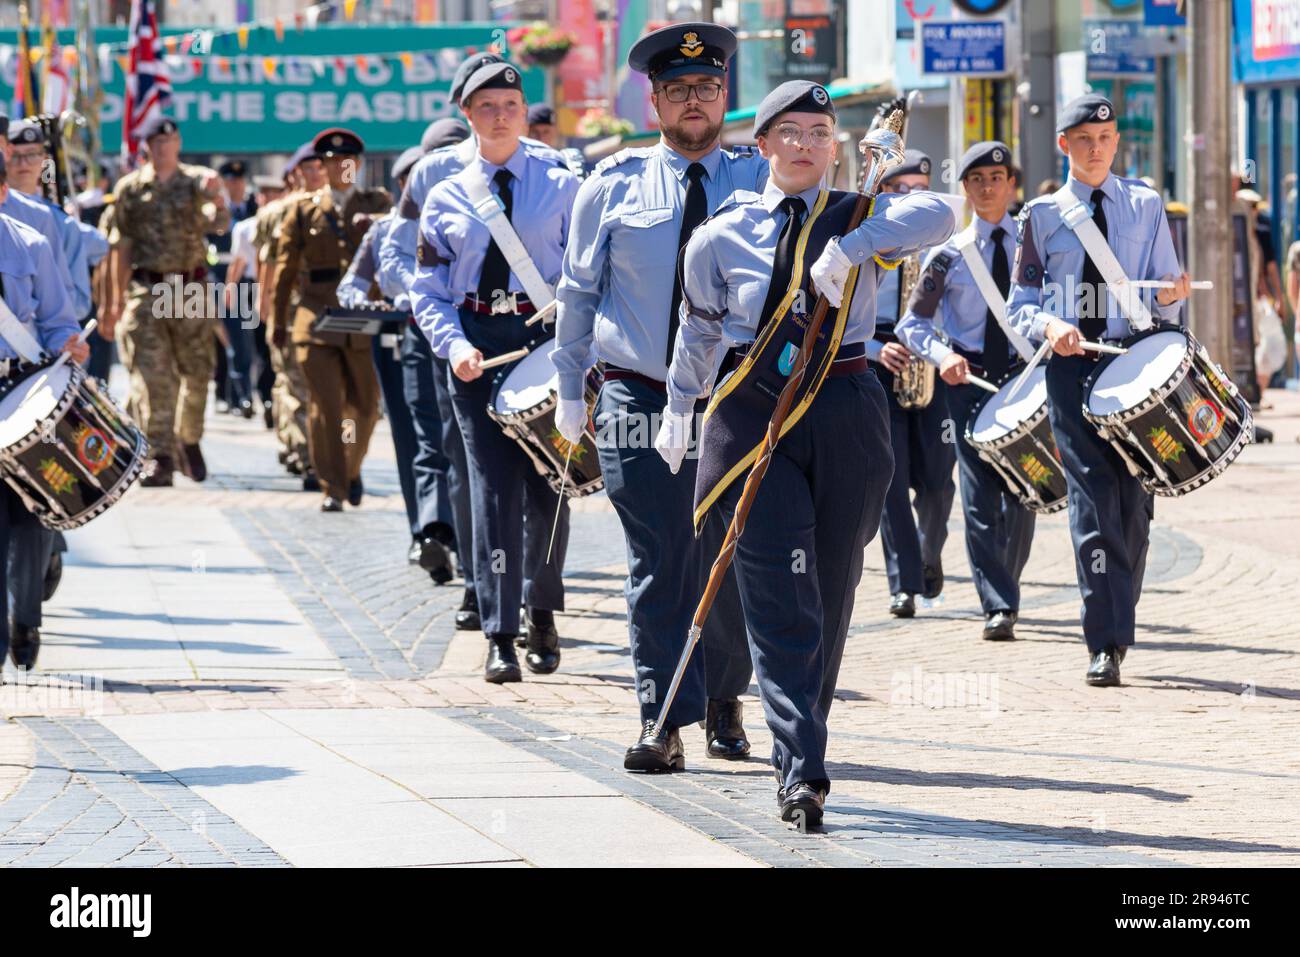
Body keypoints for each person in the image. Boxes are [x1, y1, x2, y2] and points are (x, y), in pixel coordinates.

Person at [658, 80, 954, 825]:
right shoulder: (719, 234)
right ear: (759, 146)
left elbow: (942, 213)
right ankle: (802, 771)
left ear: (834, 147)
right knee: (782, 597)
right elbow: (698, 333)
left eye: (820, 132)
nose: (806, 145)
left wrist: (850, 248)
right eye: (789, 132)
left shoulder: (859, 215)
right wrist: (678, 404)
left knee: (830, 587)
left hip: (848, 407)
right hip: (756, 416)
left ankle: (801, 735)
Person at [552, 21, 761, 771]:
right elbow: (578, 292)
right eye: (678, 91)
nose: (694, 102)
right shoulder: (610, 186)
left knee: (733, 550)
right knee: (660, 553)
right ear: (655, 101)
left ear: (724, 94)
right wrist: (568, 384)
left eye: (706, 88)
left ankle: (723, 699)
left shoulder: (761, 182)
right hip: (636, 396)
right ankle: (661, 716)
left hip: (735, 396)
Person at [1006, 94, 1191, 687]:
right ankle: (1104, 641)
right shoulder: (1039, 216)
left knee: (1134, 507)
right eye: (1083, 138)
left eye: (1105, 139)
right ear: (1064, 144)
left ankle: (1119, 617)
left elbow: (1170, 284)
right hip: (1072, 370)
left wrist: (1171, 295)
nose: (1095, 148)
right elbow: (1021, 306)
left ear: (1116, 144)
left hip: (1135, 365)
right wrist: (1050, 326)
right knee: (1092, 504)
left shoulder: (1146, 204)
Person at [381, 55, 561, 635]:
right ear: (466, 111)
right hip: (471, 341)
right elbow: (414, 271)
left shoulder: (560, 178)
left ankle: (541, 606)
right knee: (485, 481)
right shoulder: (436, 182)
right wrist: (448, 338)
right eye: (488, 106)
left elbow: (585, 272)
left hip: (540, 338)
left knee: (548, 478)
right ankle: (494, 620)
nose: (502, 116)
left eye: (512, 105)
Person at [897, 141, 1036, 640]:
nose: (987, 187)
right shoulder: (948, 255)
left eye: (996, 178)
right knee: (978, 497)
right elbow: (912, 326)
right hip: (968, 383)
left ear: (1010, 184)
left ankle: (1008, 585)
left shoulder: (1034, 243)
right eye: (977, 180)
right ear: (966, 189)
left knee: (1022, 494)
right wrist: (942, 356)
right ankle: (998, 604)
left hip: (1025, 377)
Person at [337, 145, 454, 579]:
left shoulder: (466, 218)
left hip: (459, 344)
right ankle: (422, 531)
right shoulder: (385, 231)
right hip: (401, 342)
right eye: (409, 181)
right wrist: (383, 302)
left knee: (455, 441)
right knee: (413, 438)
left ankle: (453, 530)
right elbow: (351, 287)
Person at [103, 115, 229, 486]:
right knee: (156, 378)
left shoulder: (196, 183)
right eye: (155, 143)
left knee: (197, 374)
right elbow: (121, 248)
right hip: (147, 289)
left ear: (178, 145)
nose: (162, 149)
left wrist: (216, 195)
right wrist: (113, 302)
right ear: (146, 147)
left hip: (190, 289)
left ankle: (188, 439)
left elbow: (219, 224)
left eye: (168, 143)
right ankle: (160, 456)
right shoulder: (130, 189)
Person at [0, 154, 89, 670]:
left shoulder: (31, 242)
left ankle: (25, 617)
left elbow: (57, 320)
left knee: (30, 512)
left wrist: (70, 344)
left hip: (23, 390)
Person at [272, 128, 391, 512]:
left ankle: (351, 469)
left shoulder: (378, 203)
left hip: (360, 321)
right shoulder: (303, 209)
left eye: (348, 161)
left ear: (357, 165)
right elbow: (285, 270)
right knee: (325, 408)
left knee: (366, 407)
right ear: (322, 166)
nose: (340, 168)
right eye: (331, 161)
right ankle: (333, 487)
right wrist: (276, 322)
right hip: (315, 320)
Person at [868, 148, 956, 618]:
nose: (910, 201)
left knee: (940, 482)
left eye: (920, 192)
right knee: (893, 481)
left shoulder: (945, 245)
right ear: (883, 193)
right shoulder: (867, 241)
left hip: (933, 358)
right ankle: (903, 584)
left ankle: (927, 553)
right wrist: (872, 350)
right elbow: (839, 317)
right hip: (882, 356)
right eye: (900, 191)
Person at [256, 146, 317, 480]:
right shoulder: (279, 212)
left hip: (322, 307)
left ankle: (303, 445)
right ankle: (304, 452)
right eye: (309, 167)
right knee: (293, 381)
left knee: (308, 384)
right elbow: (267, 262)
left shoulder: (335, 207)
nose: (316, 173)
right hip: (290, 307)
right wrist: (265, 306)